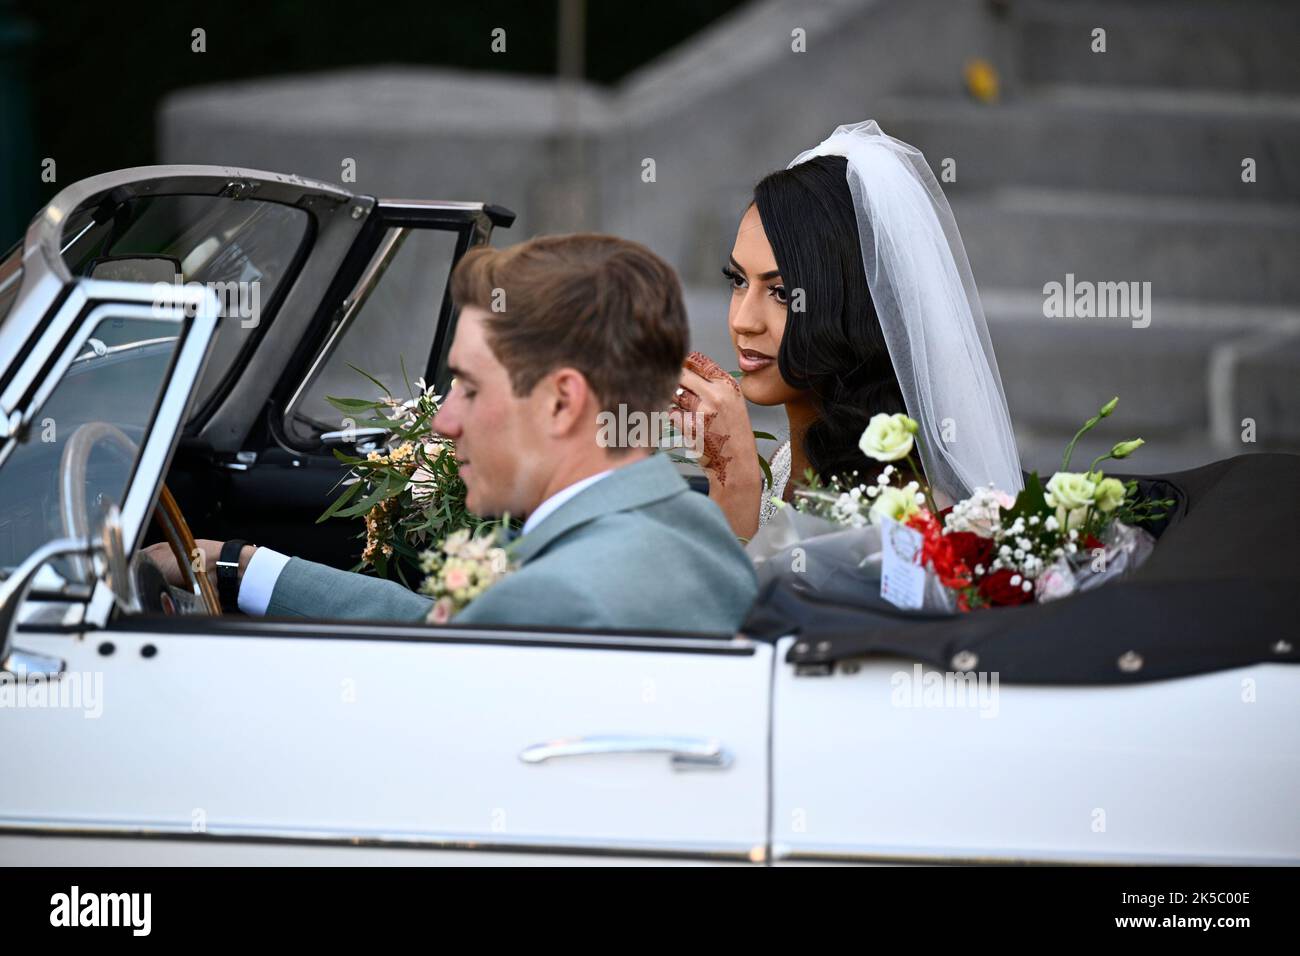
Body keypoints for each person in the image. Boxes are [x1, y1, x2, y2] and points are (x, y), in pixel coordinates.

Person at [145, 234, 757, 633]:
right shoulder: (691, 526)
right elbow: (438, 625)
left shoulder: (551, 603)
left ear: (562, 402)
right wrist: (232, 565)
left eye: (468, 386)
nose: (443, 420)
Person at [671, 120, 1023, 540]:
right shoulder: (786, 458)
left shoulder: (897, 504)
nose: (743, 320)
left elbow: (743, 604)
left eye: (781, 293)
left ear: (852, 305)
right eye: (739, 280)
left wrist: (736, 480)